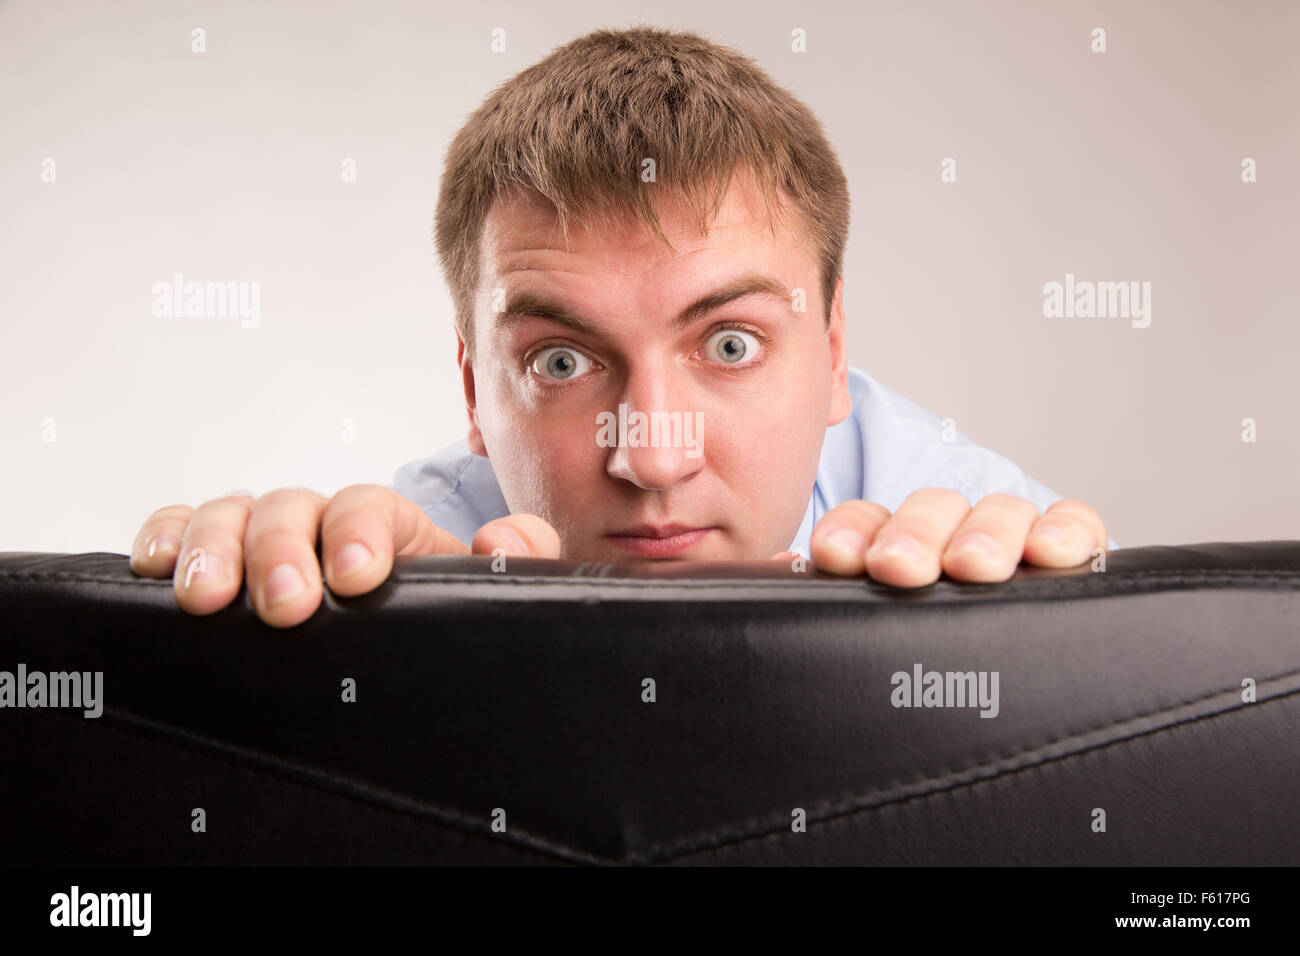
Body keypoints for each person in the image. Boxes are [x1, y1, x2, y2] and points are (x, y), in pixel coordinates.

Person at [129, 26, 1112, 629]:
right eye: (561, 360)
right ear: (475, 392)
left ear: (834, 350)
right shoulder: (415, 564)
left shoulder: (968, 525)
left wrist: (1052, 650)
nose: (649, 458)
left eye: (729, 343)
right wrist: (309, 663)